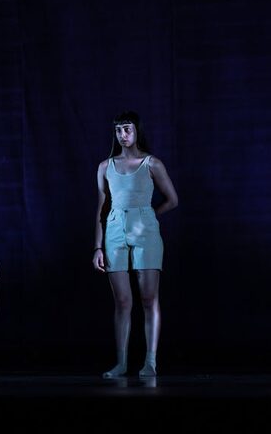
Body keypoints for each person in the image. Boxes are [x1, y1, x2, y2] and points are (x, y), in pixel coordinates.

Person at [93, 111, 178, 378]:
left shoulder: (152, 163)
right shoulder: (105, 166)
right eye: (118, 130)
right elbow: (101, 207)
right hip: (115, 227)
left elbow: (172, 199)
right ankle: (121, 363)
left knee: (149, 297)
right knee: (122, 300)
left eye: (127, 129)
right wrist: (97, 246)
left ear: (136, 131)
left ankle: (150, 362)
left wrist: (149, 215)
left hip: (145, 227)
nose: (123, 135)